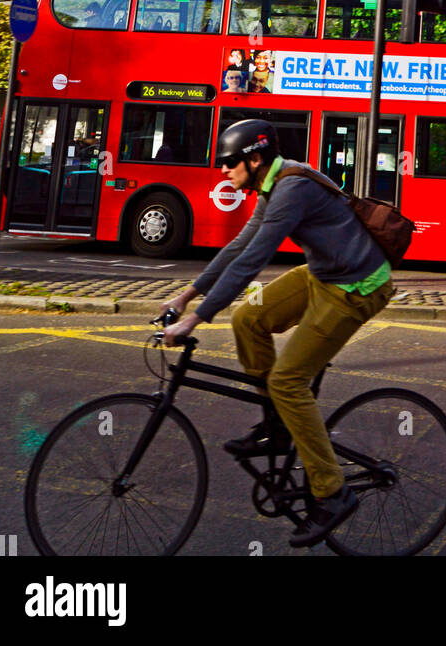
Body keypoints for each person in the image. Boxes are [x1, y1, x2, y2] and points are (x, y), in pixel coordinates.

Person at [161, 118, 394, 548]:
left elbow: (253, 263)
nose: (224, 171)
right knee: (247, 319)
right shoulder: (275, 185)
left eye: (230, 162)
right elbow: (238, 248)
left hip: (357, 287)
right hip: (324, 274)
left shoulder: (291, 189)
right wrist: (187, 294)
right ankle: (277, 425)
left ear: (255, 158)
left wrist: (197, 318)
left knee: (288, 381)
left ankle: (332, 492)